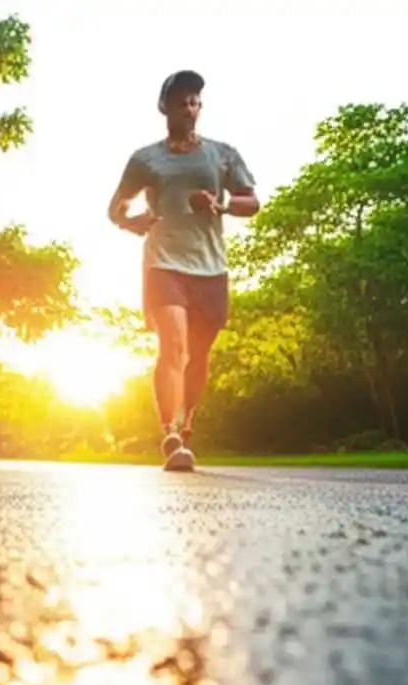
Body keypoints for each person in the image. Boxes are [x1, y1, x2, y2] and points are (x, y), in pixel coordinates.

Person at [107, 70, 260, 471]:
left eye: (195, 101)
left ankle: (187, 420)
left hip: (210, 266)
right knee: (172, 346)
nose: (190, 108)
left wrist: (222, 205)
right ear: (166, 108)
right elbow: (115, 207)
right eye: (182, 101)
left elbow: (252, 202)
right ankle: (170, 434)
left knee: (198, 356)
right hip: (163, 262)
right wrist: (130, 221)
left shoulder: (223, 154)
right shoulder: (146, 159)